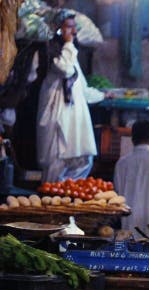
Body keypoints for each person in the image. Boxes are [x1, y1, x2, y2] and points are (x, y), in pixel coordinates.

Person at [36, 10, 104, 183]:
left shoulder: (70, 54)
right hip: (57, 116)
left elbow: (81, 87)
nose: (73, 32)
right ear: (58, 29)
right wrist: (68, 45)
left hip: (74, 119)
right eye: (69, 27)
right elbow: (65, 70)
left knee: (82, 159)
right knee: (56, 161)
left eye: (74, 28)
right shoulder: (53, 55)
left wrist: (103, 95)